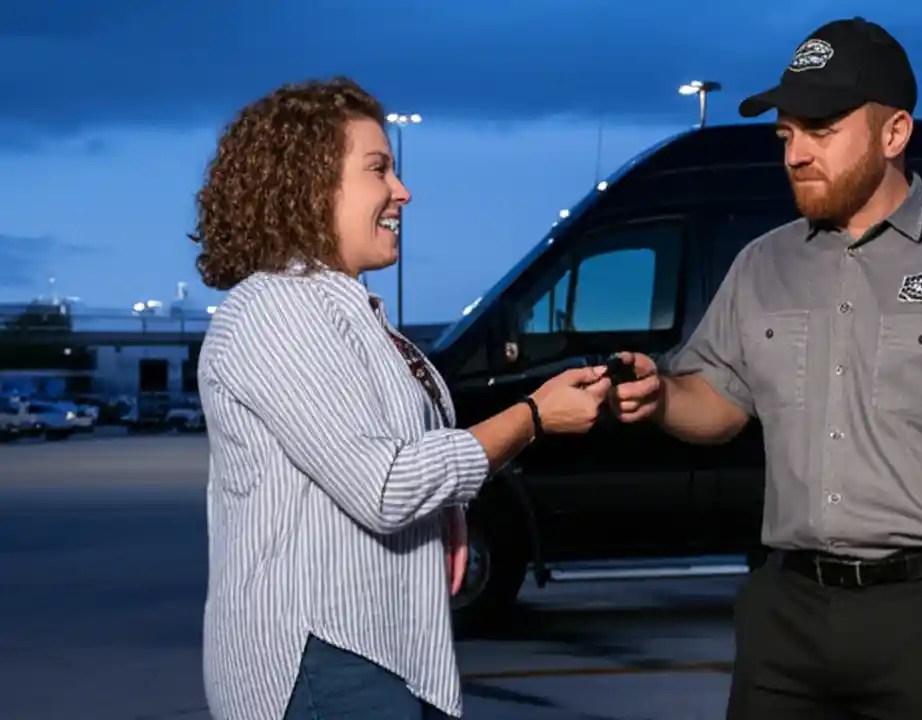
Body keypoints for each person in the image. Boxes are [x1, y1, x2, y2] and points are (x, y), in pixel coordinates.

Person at [609, 16, 922, 720]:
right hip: (788, 615)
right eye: (786, 136)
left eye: (822, 130)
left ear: (894, 133)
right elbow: (719, 404)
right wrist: (660, 397)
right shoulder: (762, 264)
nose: (796, 155)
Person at [190, 77, 612, 720]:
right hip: (323, 659)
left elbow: (384, 460)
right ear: (310, 185)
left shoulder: (342, 313)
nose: (402, 191)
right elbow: (386, 487)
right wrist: (532, 417)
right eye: (378, 169)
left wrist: (447, 517)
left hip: (376, 649)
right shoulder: (274, 312)